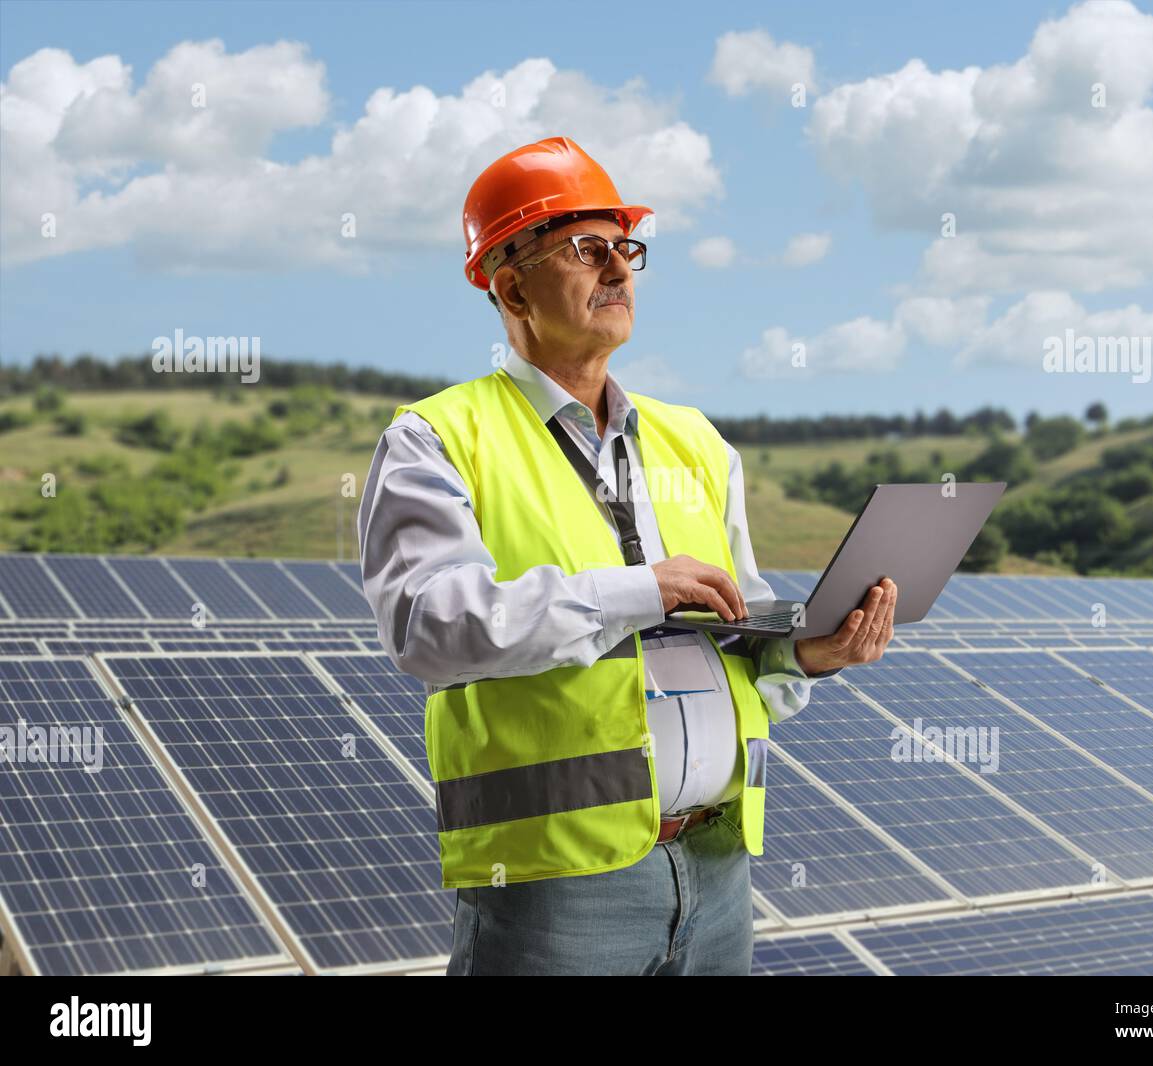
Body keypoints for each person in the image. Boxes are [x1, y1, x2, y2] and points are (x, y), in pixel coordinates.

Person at [358, 136, 898, 975]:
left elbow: (735, 638)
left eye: (627, 248)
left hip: (719, 868)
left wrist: (807, 654)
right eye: (585, 248)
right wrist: (637, 591)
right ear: (509, 286)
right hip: (552, 888)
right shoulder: (437, 438)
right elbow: (432, 630)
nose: (618, 270)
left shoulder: (697, 442)